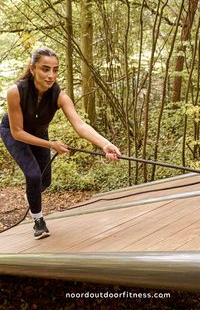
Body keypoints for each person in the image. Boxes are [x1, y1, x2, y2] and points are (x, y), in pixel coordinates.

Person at [0, 47, 121, 240]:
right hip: (15, 133)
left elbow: (80, 124)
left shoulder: (60, 96)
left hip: (40, 134)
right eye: (45, 69)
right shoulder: (15, 92)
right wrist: (51, 145)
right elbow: (18, 132)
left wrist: (104, 144)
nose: (51, 75)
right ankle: (38, 221)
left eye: (55, 70)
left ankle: (32, 196)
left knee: (44, 181)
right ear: (32, 69)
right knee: (33, 174)